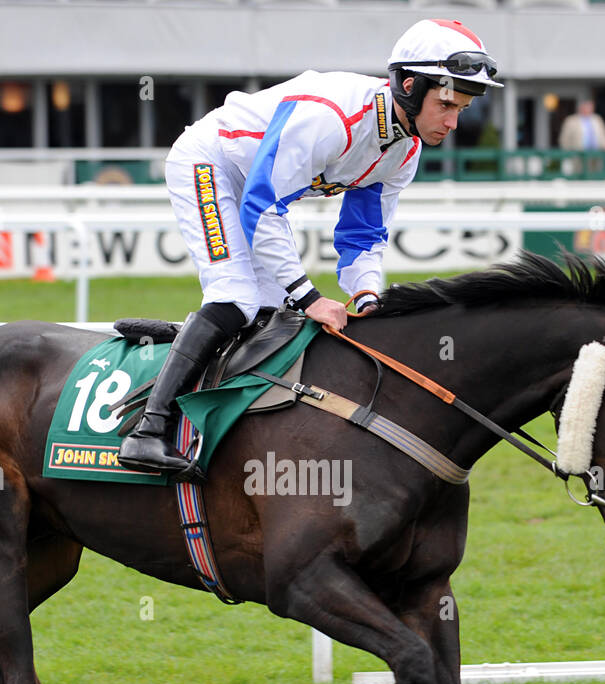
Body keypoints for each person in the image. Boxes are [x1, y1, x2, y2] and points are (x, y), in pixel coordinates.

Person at [117, 18, 501, 474]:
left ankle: (186, 343)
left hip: (256, 186)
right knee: (237, 296)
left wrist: (368, 296)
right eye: (445, 105)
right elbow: (262, 209)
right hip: (210, 162)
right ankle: (148, 431)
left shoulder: (404, 150)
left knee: (270, 314)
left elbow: (363, 237)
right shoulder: (331, 118)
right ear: (411, 85)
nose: (454, 122)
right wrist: (312, 298)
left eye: (463, 108)